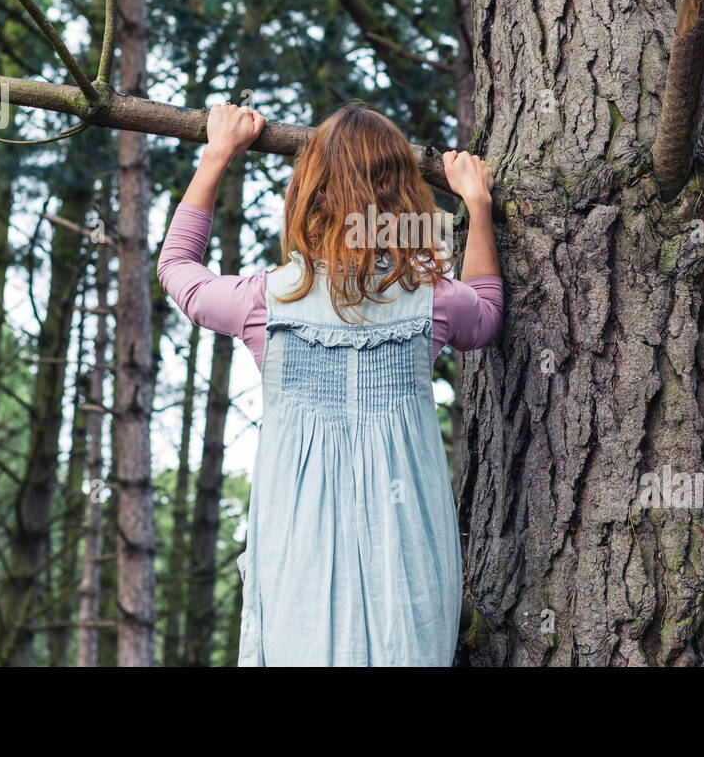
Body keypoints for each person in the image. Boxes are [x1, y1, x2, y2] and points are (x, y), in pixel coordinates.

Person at [157, 101, 503, 666]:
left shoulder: (266, 301)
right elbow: (487, 315)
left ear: (306, 194)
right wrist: (479, 205)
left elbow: (177, 269)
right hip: (407, 557)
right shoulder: (432, 299)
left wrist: (218, 152)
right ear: (402, 198)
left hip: (299, 558)